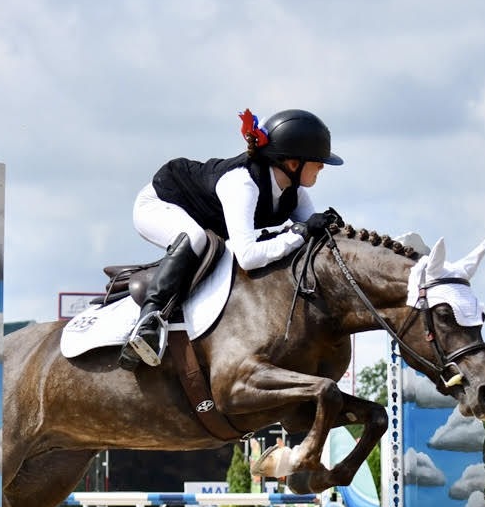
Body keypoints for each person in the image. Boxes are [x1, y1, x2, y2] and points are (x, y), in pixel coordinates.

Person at [119, 108, 343, 370]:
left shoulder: (293, 192)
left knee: (209, 243)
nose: (322, 167)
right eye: (318, 162)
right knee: (196, 239)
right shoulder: (242, 184)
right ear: (293, 164)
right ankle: (148, 323)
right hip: (158, 204)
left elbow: (311, 231)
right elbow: (248, 257)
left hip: (201, 220)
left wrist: (327, 228)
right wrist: (299, 232)